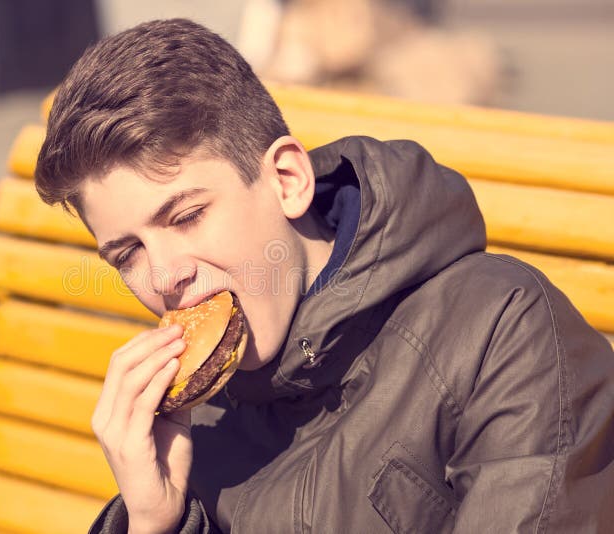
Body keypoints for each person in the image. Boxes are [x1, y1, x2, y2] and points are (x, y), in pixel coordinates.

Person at [34, 18, 614, 534]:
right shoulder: (198, 419)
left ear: (287, 180)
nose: (163, 277)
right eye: (127, 254)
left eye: (187, 216)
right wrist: (156, 523)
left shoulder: (500, 332)